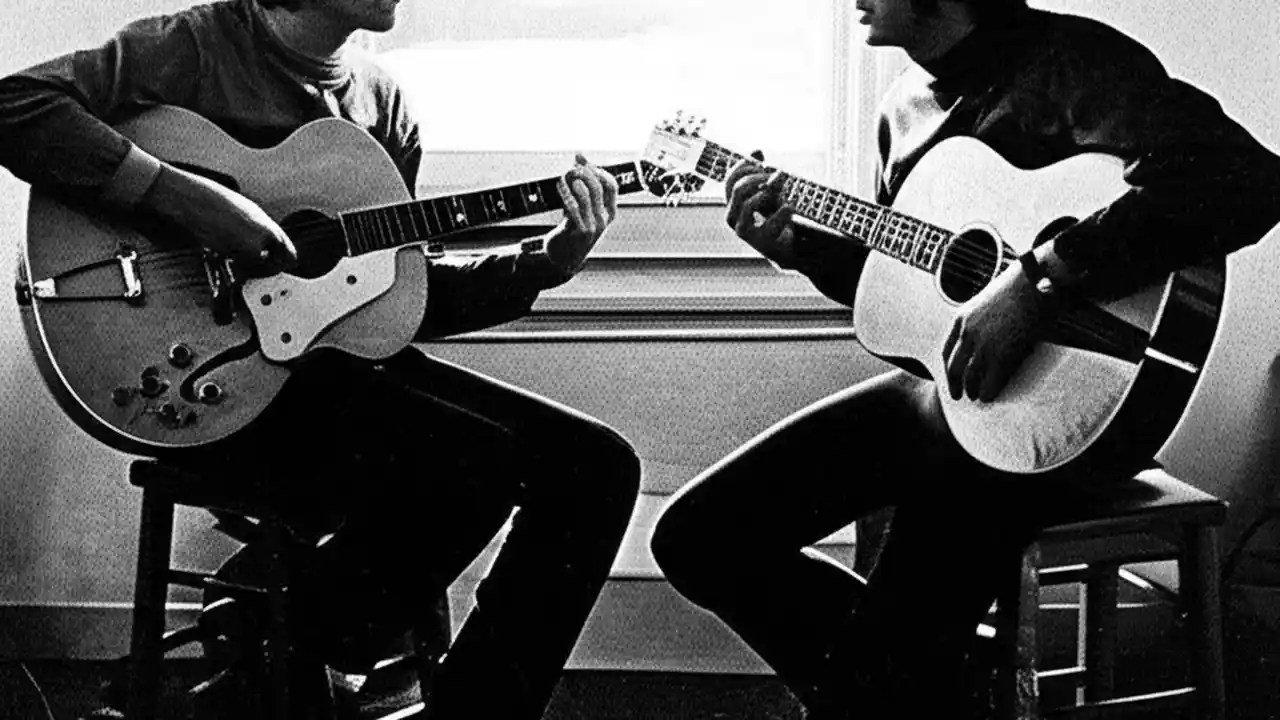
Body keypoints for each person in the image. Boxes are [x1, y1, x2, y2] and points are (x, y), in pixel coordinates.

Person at [0, 1, 640, 718]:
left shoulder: (382, 104)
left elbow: (398, 301)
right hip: (221, 381)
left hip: (335, 376)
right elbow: (15, 105)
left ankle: (440, 698)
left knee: (599, 467)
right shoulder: (197, 46)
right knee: (473, 465)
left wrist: (545, 263)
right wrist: (194, 202)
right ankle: (270, 651)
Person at [650, 0, 1280, 717]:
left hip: (1056, 417)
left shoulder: (1074, 63)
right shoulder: (903, 108)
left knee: (883, 667)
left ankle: (900, 685)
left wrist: (1038, 280)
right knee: (697, 537)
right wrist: (798, 250)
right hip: (944, 400)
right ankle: (932, 685)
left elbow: (1244, 179)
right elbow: (916, 294)